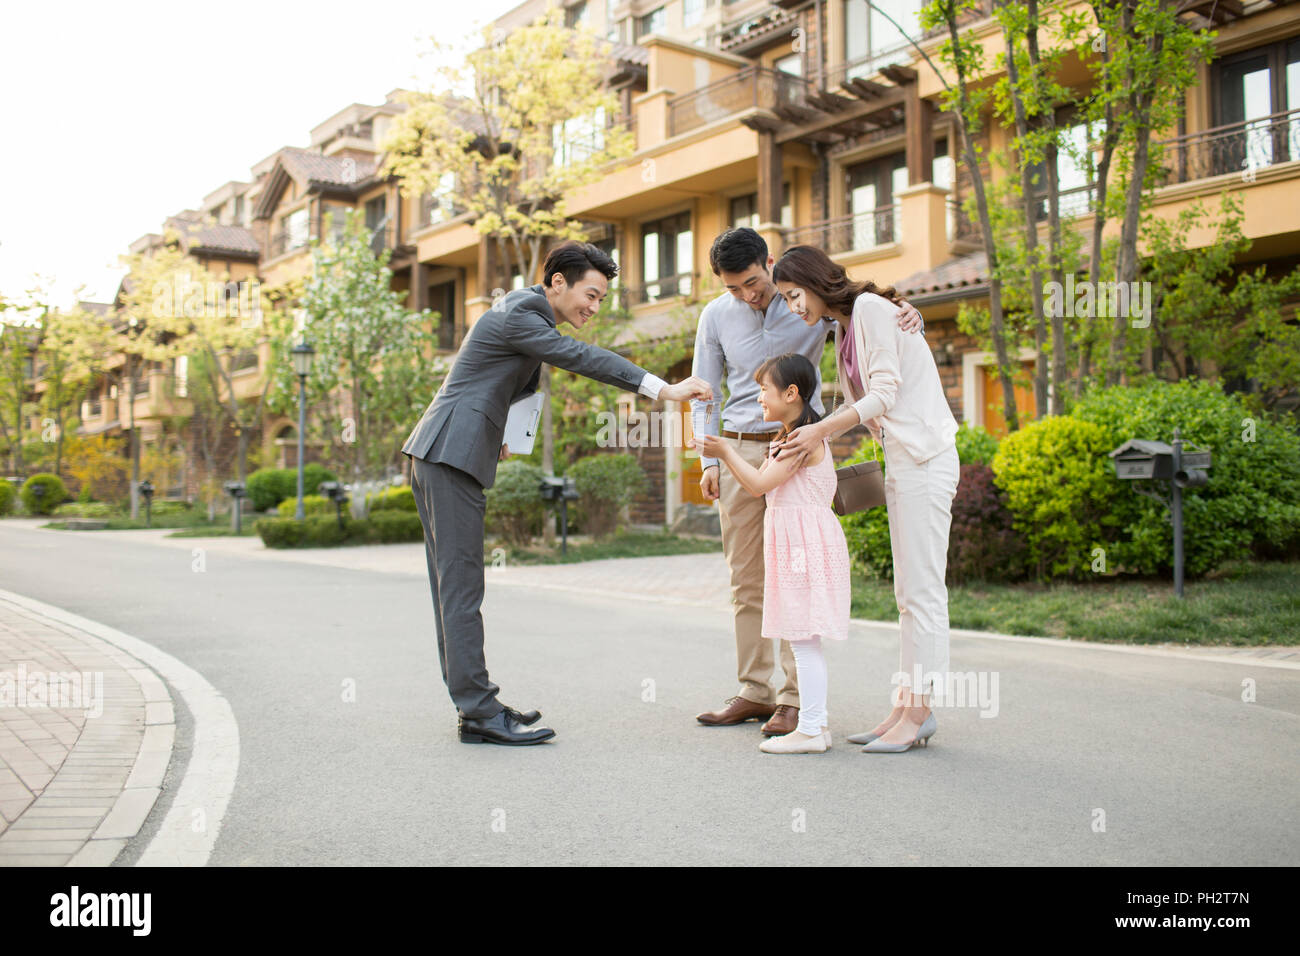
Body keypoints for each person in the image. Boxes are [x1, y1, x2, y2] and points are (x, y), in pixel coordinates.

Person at [401, 241, 713, 746]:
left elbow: (497, 381)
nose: (594, 306)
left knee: (453, 588)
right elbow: (579, 357)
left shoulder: (522, 314)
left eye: (602, 299)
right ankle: (478, 713)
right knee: (461, 589)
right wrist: (663, 388)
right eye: (590, 294)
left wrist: (498, 432)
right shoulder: (523, 313)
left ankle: (476, 702)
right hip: (449, 454)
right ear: (558, 283)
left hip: (446, 451)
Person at [690, 227, 922, 737]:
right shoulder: (715, 316)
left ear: (768, 263)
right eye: (734, 288)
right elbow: (704, 391)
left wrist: (912, 311)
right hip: (736, 446)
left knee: (792, 574)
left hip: (797, 443)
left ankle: (795, 700)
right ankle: (754, 690)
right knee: (746, 577)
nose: (747, 295)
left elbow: (859, 309)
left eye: (753, 282)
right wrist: (708, 460)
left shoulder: (802, 302)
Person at [771, 244, 959, 754]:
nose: (793, 308)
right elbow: (866, 400)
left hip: (925, 458)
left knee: (922, 593)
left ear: (813, 281)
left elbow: (885, 393)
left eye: (793, 295)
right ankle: (904, 708)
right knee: (907, 593)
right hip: (904, 462)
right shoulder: (845, 326)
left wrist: (819, 433)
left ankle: (918, 712)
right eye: (785, 300)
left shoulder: (873, 311)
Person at [695, 353, 850, 754]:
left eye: (765, 390)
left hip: (803, 545)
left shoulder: (800, 438)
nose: (759, 398)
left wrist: (726, 453)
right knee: (803, 637)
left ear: (792, 393)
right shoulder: (795, 434)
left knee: (802, 637)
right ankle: (815, 725)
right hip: (798, 541)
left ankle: (812, 728)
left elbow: (760, 485)